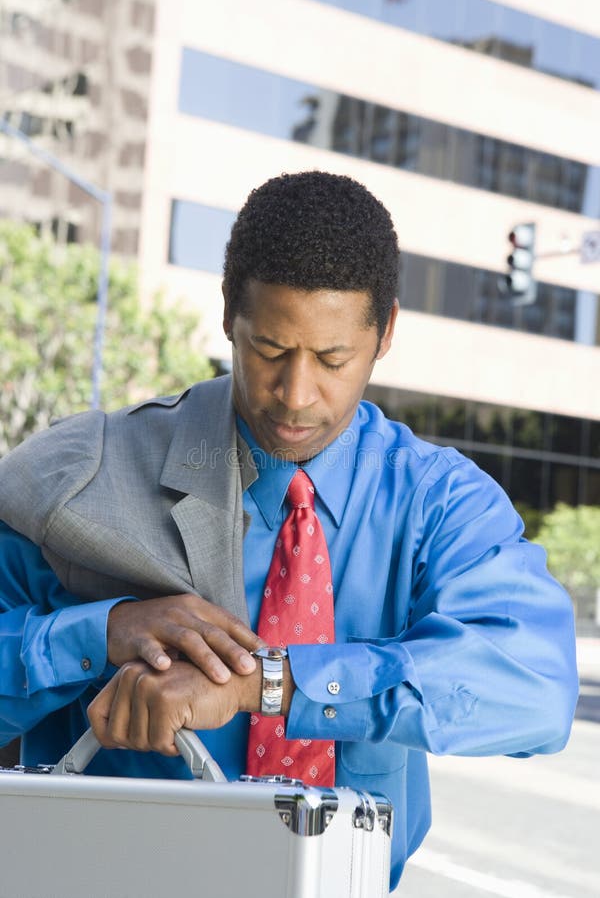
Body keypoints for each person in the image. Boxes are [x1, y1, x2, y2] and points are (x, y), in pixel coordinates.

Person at [0, 171, 578, 890]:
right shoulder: (84, 479)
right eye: (269, 350)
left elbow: (535, 686)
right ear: (227, 319)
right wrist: (101, 635)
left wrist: (268, 685)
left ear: (385, 333)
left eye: (333, 359)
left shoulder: (437, 503)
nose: (297, 396)